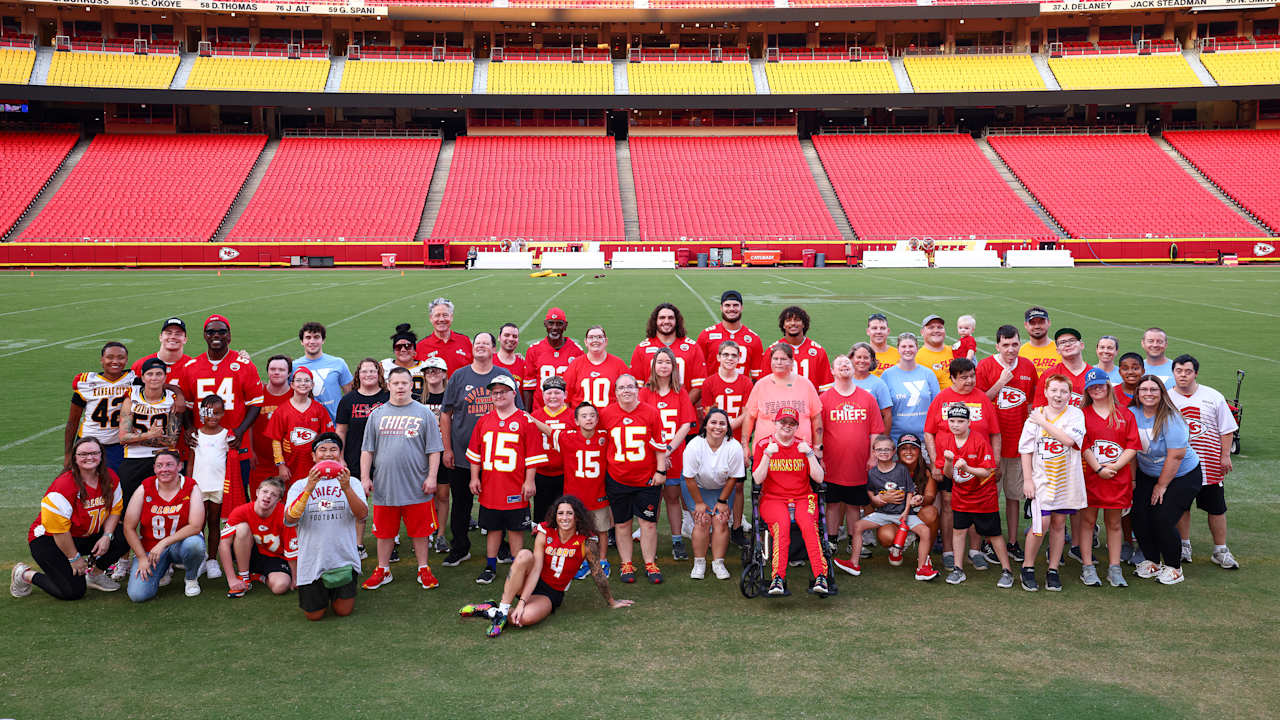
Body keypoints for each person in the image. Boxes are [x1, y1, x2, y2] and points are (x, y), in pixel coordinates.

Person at [460, 496, 632, 639]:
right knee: (524, 555)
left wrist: (611, 601)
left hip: (551, 592)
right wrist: (522, 602)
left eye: (569, 514)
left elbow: (597, 574)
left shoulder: (586, 542)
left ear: (577, 517)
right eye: (561, 513)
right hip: (531, 581)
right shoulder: (545, 532)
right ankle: (504, 609)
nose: (564, 517)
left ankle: (490, 610)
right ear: (555, 516)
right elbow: (535, 569)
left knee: (524, 619)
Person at [11, 437, 128, 600]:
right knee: (72, 592)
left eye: (94, 453)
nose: (89, 457)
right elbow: (59, 531)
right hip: (50, 539)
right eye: (83, 454)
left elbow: (115, 510)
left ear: (102, 455)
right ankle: (24, 574)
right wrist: (74, 558)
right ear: (75, 458)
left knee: (125, 535)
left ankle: (95, 574)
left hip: (83, 535)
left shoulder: (110, 477)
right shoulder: (63, 486)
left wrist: (107, 536)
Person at [439, 332, 520, 567]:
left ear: (494, 349)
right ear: (472, 348)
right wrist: (447, 448)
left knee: (498, 502)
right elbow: (446, 413)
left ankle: (502, 546)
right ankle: (460, 546)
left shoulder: (503, 375)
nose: (481, 346)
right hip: (464, 453)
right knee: (461, 503)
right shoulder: (459, 376)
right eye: (477, 343)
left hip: (498, 455)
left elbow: (517, 411)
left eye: (486, 343)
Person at [360, 366, 444, 591]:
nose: (399, 387)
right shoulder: (377, 414)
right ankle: (383, 569)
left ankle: (423, 568)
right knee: (385, 532)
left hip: (417, 485)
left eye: (404, 383)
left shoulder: (423, 413)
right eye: (395, 383)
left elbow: (434, 449)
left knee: (421, 531)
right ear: (388, 385)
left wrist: (432, 476)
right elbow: (367, 449)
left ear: (411, 385)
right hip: (385, 486)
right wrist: (365, 477)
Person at [176, 315, 264, 516]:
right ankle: (203, 545)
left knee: (238, 497)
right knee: (202, 501)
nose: (216, 335)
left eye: (221, 332)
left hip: (234, 443)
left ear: (229, 336)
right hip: (203, 446)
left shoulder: (243, 365)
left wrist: (240, 431)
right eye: (211, 332)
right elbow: (187, 405)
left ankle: (238, 545)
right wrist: (189, 427)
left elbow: (256, 403)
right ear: (204, 336)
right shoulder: (191, 367)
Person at [924, 358, 1002, 572]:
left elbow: (995, 433)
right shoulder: (942, 398)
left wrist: (994, 463)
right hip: (949, 466)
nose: (969, 381)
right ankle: (949, 551)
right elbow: (929, 432)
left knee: (978, 507)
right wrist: (935, 463)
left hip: (978, 467)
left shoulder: (982, 399)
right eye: (964, 378)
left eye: (972, 376)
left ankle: (975, 550)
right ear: (952, 378)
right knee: (949, 506)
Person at [467, 375, 546, 585]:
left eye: (503, 391)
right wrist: (474, 477)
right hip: (490, 486)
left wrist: (530, 481)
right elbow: (476, 453)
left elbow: (532, 456)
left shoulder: (525, 420)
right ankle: (490, 566)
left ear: (514, 393)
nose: (499, 396)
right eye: (495, 392)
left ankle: (516, 568)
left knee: (515, 529)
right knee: (492, 528)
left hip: (515, 486)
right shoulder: (484, 420)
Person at [284, 433, 368, 620]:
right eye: (322, 450)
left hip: (343, 559)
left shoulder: (352, 482)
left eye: (333, 450)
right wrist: (309, 489)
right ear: (314, 456)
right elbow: (290, 519)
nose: (328, 454)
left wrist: (345, 488)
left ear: (340, 454)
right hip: (312, 562)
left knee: (343, 611)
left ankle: (339, 592)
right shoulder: (299, 485)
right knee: (314, 616)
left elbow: (362, 516)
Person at [1017, 374, 1087, 592]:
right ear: (1046, 392)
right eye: (1054, 390)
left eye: (1063, 391)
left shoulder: (1075, 414)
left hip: (1066, 480)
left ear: (1070, 394)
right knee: (1041, 526)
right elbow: (1026, 450)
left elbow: (1069, 441)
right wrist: (1028, 479)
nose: (1058, 395)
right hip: (1042, 480)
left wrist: (1043, 422)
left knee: (1058, 524)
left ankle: (1053, 569)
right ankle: (1028, 567)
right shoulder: (1035, 416)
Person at [1130, 375, 1202, 586]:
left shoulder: (1171, 417)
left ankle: (1173, 567)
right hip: (1147, 473)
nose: (1149, 393)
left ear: (1162, 393)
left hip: (1182, 474)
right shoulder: (1132, 413)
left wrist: (1161, 486)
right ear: (1138, 393)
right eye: (1144, 389)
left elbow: (1176, 455)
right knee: (1139, 514)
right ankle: (1152, 561)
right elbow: (1131, 450)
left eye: (1154, 389)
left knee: (1162, 517)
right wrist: (1134, 481)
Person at [1169, 354, 1239, 569]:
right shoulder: (1167, 398)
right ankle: (1184, 546)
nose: (1183, 375)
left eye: (1187, 371)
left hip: (1209, 464)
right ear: (1173, 373)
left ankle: (1220, 550)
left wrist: (1225, 455)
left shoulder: (1213, 396)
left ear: (1195, 373)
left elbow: (1226, 429)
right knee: (1182, 507)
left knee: (1216, 508)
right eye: (1179, 371)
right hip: (1180, 466)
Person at [116, 356, 181, 582]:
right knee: (126, 514)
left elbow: (171, 438)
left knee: (164, 511)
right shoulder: (131, 398)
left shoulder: (172, 399)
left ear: (165, 377)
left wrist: (141, 438)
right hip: (133, 461)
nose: (154, 378)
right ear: (142, 377)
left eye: (159, 374)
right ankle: (122, 559)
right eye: (150, 374)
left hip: (163, 461)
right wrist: (151, 435)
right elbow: (123, 437)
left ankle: (165, 559)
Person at [836, 434, 936, 581]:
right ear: (874, 452)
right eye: (880, 449)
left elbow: (909, 491)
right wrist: (874, 497)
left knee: (925, 531)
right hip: (883, 514)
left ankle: (921, 569)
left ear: (894, 451)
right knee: (857, 526)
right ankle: (853, 563)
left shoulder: (901, 470)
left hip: (902, 513)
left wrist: (906, 511)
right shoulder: (872, 473)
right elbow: (869, 489)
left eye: (887, 449)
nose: (883, 452)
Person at [754, 407, 830, 596]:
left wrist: (810, 454)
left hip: (805, 496)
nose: (787, 426)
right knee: (782, 526)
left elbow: (819, 478)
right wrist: (767, 455)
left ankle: (821, 576)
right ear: (775, 423)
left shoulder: (803, 446)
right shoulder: (764, 445)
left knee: (810, 526)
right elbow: (757, 479)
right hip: (773, 498)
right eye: (783, 422)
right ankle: (777, 578)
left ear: (797, 426)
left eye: (792, 423)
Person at [975, 325, 1037, 560]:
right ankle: (986, 541)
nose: (1011, 349)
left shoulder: (1028, 367)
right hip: (990, 446)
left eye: (1015, 344)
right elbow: (979, 403)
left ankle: (1011, 542)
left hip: (1018, 444)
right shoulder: (986, 366)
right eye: (1006, 345)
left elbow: (1031, 405)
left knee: (1014, 496)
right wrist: (1001, 382)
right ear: (997, 346)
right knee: (989, 497)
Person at [599, 374, 668, 584]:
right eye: (621, 388)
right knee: (622, 524)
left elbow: (659, 445)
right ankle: (626, 563)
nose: (626, 391)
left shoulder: (651, 412)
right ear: (615, 391)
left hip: (646, 479)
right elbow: (601, 445)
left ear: (638, 389)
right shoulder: (606, 413)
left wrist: (661, 471)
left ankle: (649, 562)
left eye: (630, 387)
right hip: (618, 478)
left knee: (648, 523)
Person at [935, 406, 1012, 588]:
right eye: (952, 421)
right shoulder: (946, 440)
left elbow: (987, 471)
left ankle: (1007, 571)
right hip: (961, 497)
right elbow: (948, 475)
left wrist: (967, 468)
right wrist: (948, 461)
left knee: (994, 534)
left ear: (969, 422)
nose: (955, 425)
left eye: (960, 421)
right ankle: (957, 569)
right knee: (959, 531)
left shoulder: (979, 440)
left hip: (983, 497)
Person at [1080, 368, 1141, 588]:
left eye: (1100, 385)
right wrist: (1098, 469)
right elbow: (1084, 446)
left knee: (1114, 523)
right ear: (1087, 389)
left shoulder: (1125, 413)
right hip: (1091, 477)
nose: (1097, 389)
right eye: (1092, 386)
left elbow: (1132, 446)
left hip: (1117, 477)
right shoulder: (1083, 414)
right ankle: (1087, 567)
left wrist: (1114, 467)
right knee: (1087, 522)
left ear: (1108, 386)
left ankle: (1114, 568)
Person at [820, 353, 885, 558]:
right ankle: (831, 541)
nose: (844, 366)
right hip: (832, 463)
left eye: (847, 363)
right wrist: (819, 457)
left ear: (853, 368)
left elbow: (876, 429)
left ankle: (853, 541)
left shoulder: (867, 398)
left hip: (858, 463)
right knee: (832, 503)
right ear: (832, 371)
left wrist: (873, 455)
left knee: (854, 504)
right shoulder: (824, 398)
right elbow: (818, 431)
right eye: (839, 364)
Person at [122, 450, 206, 601]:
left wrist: (163, 543)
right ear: (154, 468)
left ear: (179, 466)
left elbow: (196, 526)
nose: (164, 469)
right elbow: (128, 526)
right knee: (138, 595)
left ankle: (191, 578)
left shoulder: (191, 487)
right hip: (151, 548)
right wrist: (141, 557)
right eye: (159, 465)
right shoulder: (144, 488)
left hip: (179, 545)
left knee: (194, 545)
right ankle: (163, 569)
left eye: (169, 465)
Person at [639, 347, 697, 562]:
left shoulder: (680, 392)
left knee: (672, 497)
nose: (663, 366)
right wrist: (659, 453)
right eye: (659, 362)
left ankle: (676, 539)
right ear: (653, 366)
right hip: (650, 454)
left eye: (667, 362)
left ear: (673, 367)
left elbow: (685, 425)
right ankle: (648, 540)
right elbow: (640, 424)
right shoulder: (644, 393)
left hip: (674, 452)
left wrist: (668, 449)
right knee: (650, 498)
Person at [549, 402, 613, 580]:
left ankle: (602, 561)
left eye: (592, 415)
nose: (589, 419)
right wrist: (528, 417)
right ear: (576, 421)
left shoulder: (604, 436)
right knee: (578, 531)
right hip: (575, 497)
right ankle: (582, 561)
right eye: (584, 416)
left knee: (601, 530)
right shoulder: (568, 438)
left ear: (597, 419)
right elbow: (548, 430)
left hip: (599, 494)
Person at [335, 358, 389, 559]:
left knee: (385, 505)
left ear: (379, 374)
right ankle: (357, 544)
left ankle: (388, 540)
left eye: (372, 371)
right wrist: (340, 457)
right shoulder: (348, 400)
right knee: (358, 505)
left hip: (385, 459)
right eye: (364, 371)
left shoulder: (387, 396)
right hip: (355, 458)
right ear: (358, 375)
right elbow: (340, 430)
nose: (368, 375)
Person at [681, 408, 743, 580]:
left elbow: (733, 477)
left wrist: (722, 501)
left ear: (727, 427)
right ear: (706, 425)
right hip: (696, 486)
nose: (717, 427)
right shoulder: (694, 445)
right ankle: (699, 563)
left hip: (722, 488)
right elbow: (689, 478)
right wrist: (699, 503)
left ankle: (718, 563)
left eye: (722, 423)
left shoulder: (734, 446)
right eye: (713, 422)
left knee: (721, 520)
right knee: (702, 520)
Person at [218, 477, 295, 597]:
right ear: (257, 492)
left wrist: (295, 577)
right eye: (265, 492)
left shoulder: (285, 515)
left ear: (279, 500)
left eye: (273, 494)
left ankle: (260, 577)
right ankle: (244, 577)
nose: (268, 496)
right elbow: (224, 544)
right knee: (242, 528)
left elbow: (292, 549)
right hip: (249, 553)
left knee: (280, 586)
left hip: (276, 557)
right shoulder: (241, 511)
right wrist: (231, 579)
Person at [64, 341, 134, 471]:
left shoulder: (133, 379)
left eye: (121, 357)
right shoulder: (87, 383)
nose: (115, 361)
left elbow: (161, 382)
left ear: (126, 360)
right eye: (110, 357)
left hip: (118, 445)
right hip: (88, 442)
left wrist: (178, 394)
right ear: (102, 360)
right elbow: (72, 422)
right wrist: (68, 454)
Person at [741, 343, 823, 451]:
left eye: (783, 359)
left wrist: (818, 448)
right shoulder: (761, 385)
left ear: (792, 362)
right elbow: (749, 417)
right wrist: (745, 446)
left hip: (800, 452)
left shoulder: (805, 384)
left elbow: (816, 418)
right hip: (766, 451)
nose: (778, 362)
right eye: (775, 359)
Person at [265, 366, 334, 485]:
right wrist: (281, 465)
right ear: (292, 384)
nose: (303, 383)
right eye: (299, 380)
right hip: (290, 466)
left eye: (307, 380)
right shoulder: (282, 411)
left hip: (314, 466)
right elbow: (276, 440)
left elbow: (327, 439)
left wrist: (323, 462)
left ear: (312, 385)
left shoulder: (319, 410)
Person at [630, 303, 707, 402]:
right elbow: (636, 387)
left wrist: (682, 407)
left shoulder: (692, 347)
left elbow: (698, 386)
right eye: (662, 318)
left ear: (677, 321)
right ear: (655, 321)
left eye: (670, 318)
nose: (666, 321)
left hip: (683, 412)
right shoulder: (641, 348)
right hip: (652, 411)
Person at [190, 394, 230, 579]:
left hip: (218, 487)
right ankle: (199, 559)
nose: (212, 417)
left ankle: (212, 560)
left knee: (214, 522)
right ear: (200, 413)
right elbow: (190, 463)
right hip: (198, 488)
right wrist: (189, 485)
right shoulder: (194, 435)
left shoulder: (226, 435)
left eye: (217, 413)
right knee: (197, 525)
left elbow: (230, 463)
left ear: (223, 414)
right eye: (208, 413)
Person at [881, 332, 940, 443]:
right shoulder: (887, 375)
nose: (907, 350)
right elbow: (884, 411)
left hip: (925, 439)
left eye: (911, 346)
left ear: (917, 348)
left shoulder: (928, 374)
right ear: (898, 349)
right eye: (903, 346)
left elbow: (937, 406)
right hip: (896, 439)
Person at [695, 290, 765, 382]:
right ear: (721, 308)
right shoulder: (706, 335)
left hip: (742, 392)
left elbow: (757, 376)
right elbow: (698, 370)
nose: (731, 309)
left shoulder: (753, 338)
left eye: (735, 305)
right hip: (713, 391)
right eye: (727, 305)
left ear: (742, 308)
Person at [249, 355, 294, 497]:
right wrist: (250, 451)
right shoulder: (257, 393)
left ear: (289, 373)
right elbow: (248, 424)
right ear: (267, 371)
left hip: (289, 461)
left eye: (281, 369)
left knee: (288, 506)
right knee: (261, 501)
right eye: (272, 369)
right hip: (260, 460)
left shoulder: (296, 394)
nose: (276, 372)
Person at [760, 305, 832, 392]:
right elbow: (764, 385)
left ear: (804, 324)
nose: (793, 323)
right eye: (788, 320)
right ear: (783, 325)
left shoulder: (818, 351)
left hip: (809, 403)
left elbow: (826, 387)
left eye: (797, 320)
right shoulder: (772, 351)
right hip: (781, 402)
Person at [523, 308, 584, 411]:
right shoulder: (534, 350)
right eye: (551, 323)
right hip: (540, 411)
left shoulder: (577, 351)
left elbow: (580, 387)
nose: (554, 328)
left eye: (559, 324)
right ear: (545, 324)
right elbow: (529, 387)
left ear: (565, 326)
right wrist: (527, 414)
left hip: (566, 412)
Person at [530, 376, 572, 523]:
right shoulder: (536, 415)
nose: (553, 396)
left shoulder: (572, 416)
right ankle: (540, 533)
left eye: (557, 393)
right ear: (542, 395)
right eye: (549, 393)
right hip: (542, 472)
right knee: (541, 508)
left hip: (565, 472)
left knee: (563, 507)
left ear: (565, 395)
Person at [294, 322, 353, 419]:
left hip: (334, 425)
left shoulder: (338, 363)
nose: (312, 341)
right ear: (302, 341)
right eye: (308, 337)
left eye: (316, 337)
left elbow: (350, 394)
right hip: (305, 425)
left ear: (323, 340)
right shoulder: (294, 366)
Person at [563, 325, 630, 410]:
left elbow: (629, 395)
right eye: (591, 337)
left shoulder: (619, 365)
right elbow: (565, 398)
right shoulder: (575, 365)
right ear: (585, 342)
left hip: (610, 419)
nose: (595, 340)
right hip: (582, 420)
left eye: (599, 337)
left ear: (605, 341)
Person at [1032, 328, 1094, 408]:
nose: (1068, 344)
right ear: (1058, 350)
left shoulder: (1094, 374)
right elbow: (1039, 408)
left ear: (1081, 345)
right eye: (1062, 342)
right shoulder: (1049, 374)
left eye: (1072, 340)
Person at [415, 298, 472, 376]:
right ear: (431, 318)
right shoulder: (421, 346)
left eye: (445, 315)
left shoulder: (465, 341)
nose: (441, 319)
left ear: (451, 317)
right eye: (437, 315)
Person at [849, 343, 893, 431]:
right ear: (851, 358)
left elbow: (887, 414)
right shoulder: (843, 381)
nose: (862, 361)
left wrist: (883, 439)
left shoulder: (878, 383)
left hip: (871, 437)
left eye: (866, 358)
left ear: (872, 360)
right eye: (859, 357)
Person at [382, 324, 430, 401]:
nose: (403, 350)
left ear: (414, 349)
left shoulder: (425, 367)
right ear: (394, 350)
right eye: (398, 347)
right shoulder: (383, 366)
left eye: (408, 346)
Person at [1019, 306, 1061, 378]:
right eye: (1032, 323)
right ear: (1025, 325)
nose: (1037, 326)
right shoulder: (1020, 352)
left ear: (1048, 323)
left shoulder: (1061, 350)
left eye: (1041, 322)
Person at [916, 314, 955, 391]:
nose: (936, 330)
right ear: (922, 332)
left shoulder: (954, 351)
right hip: (939, 402)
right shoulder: (918, 358)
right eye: (931, 327)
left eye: (940, 327)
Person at [493, 322, 527, 392]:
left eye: (515, 336)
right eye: (507, 335)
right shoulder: (488, 361)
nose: (511, 339)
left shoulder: (524, 364)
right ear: (499, 338)